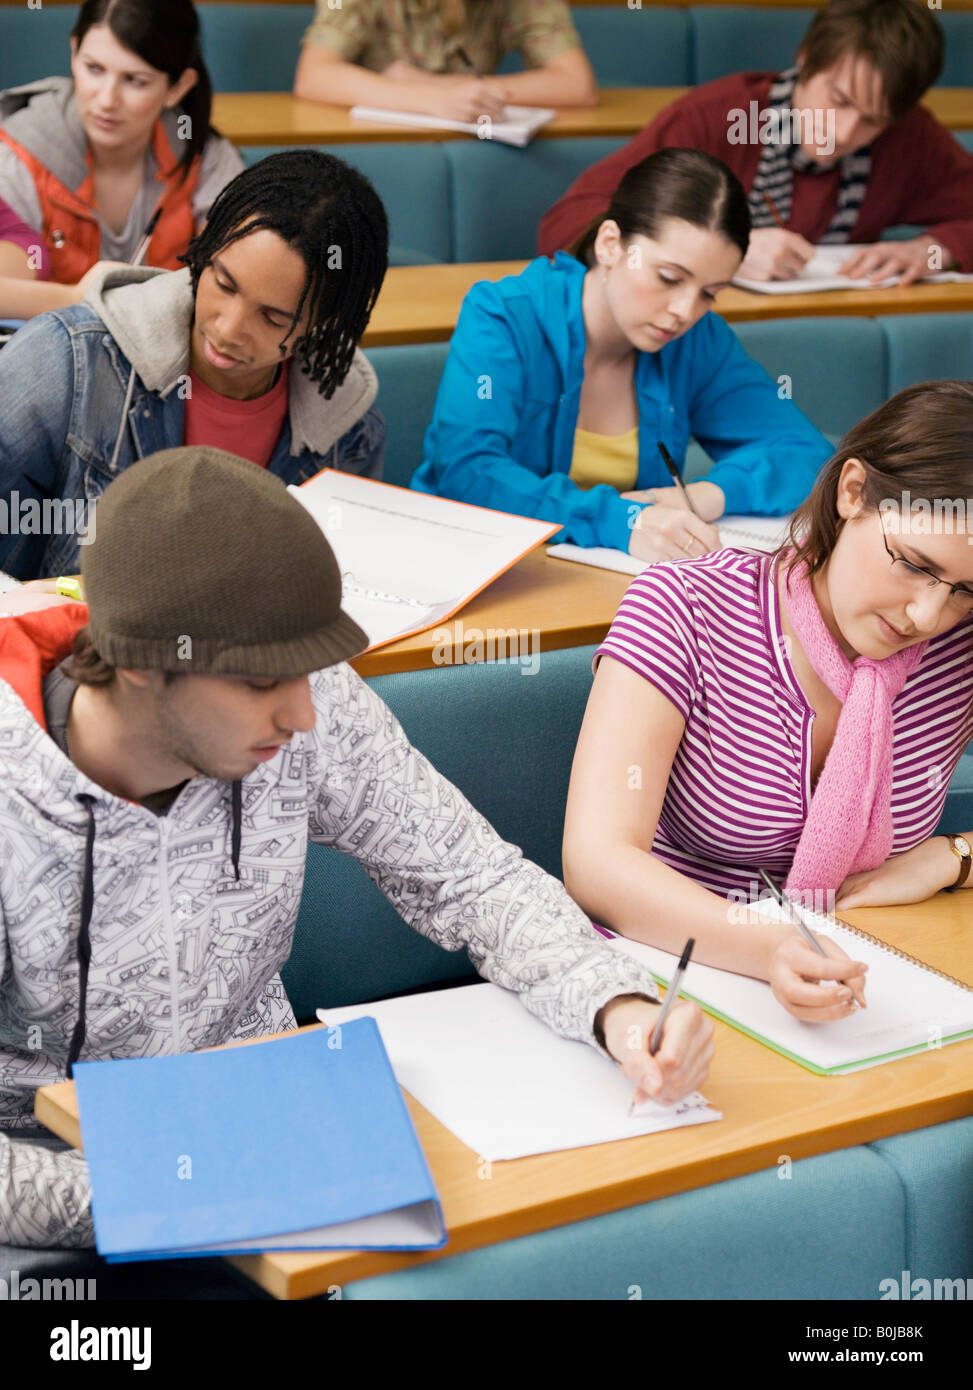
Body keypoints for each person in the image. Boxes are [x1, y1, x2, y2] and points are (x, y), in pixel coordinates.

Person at [0, 445, 714, 1263]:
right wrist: (171, 1200)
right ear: (136, 665)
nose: (304, 714)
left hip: (275, 1134)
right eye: (263, 683)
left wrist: (614, 1007)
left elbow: (468, 874)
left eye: (309, 672)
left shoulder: (312, 699)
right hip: (62, 1189)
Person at [562, 380, 973, 1024]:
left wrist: (954, 858)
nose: (927, 614)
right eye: (913, 565)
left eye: (964, 590)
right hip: (670, 979)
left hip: (875, 976)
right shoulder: (684, 606)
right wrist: (772, 945)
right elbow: (597, 861)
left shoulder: (961, 645)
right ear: (853, 492)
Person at [413, 148, 832, 563]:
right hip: (470, 567)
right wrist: (621, 519)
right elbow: (467, 472)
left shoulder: (697, 340)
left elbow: (806, 452)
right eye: (668, 278)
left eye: (709, 293)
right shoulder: (503, 315)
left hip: (608, 587)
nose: (685, 312)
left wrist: (706, 496)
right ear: (610, 244)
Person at [0, 150, 389, 581]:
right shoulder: (64, 361)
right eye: (224, 284)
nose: (228, 329)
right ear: (205, 252)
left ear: (323, 324)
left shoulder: (348, 428)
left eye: (273, 318)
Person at [539, 0, 973, 285]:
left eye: (872, 120)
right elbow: (567, 226)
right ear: (805, 60)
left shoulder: (911, 138)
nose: (842, 132)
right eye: (838, 100)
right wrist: (716, 252)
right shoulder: (716, 118)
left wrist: (935, 250)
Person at [0, 0, 242, 320]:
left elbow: (238, 276)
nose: (107, 100)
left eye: (135, 80)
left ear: (177, 87)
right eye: (94, 69)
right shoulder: (17, 156)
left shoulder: (204, 154)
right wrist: (78, 299)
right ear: (74, 53)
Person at [293, 0, 597, 122]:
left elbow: (577, 84)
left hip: (477, 144)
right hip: (379, 143)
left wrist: (433, 86)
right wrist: (432, 99)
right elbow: (314, 74)